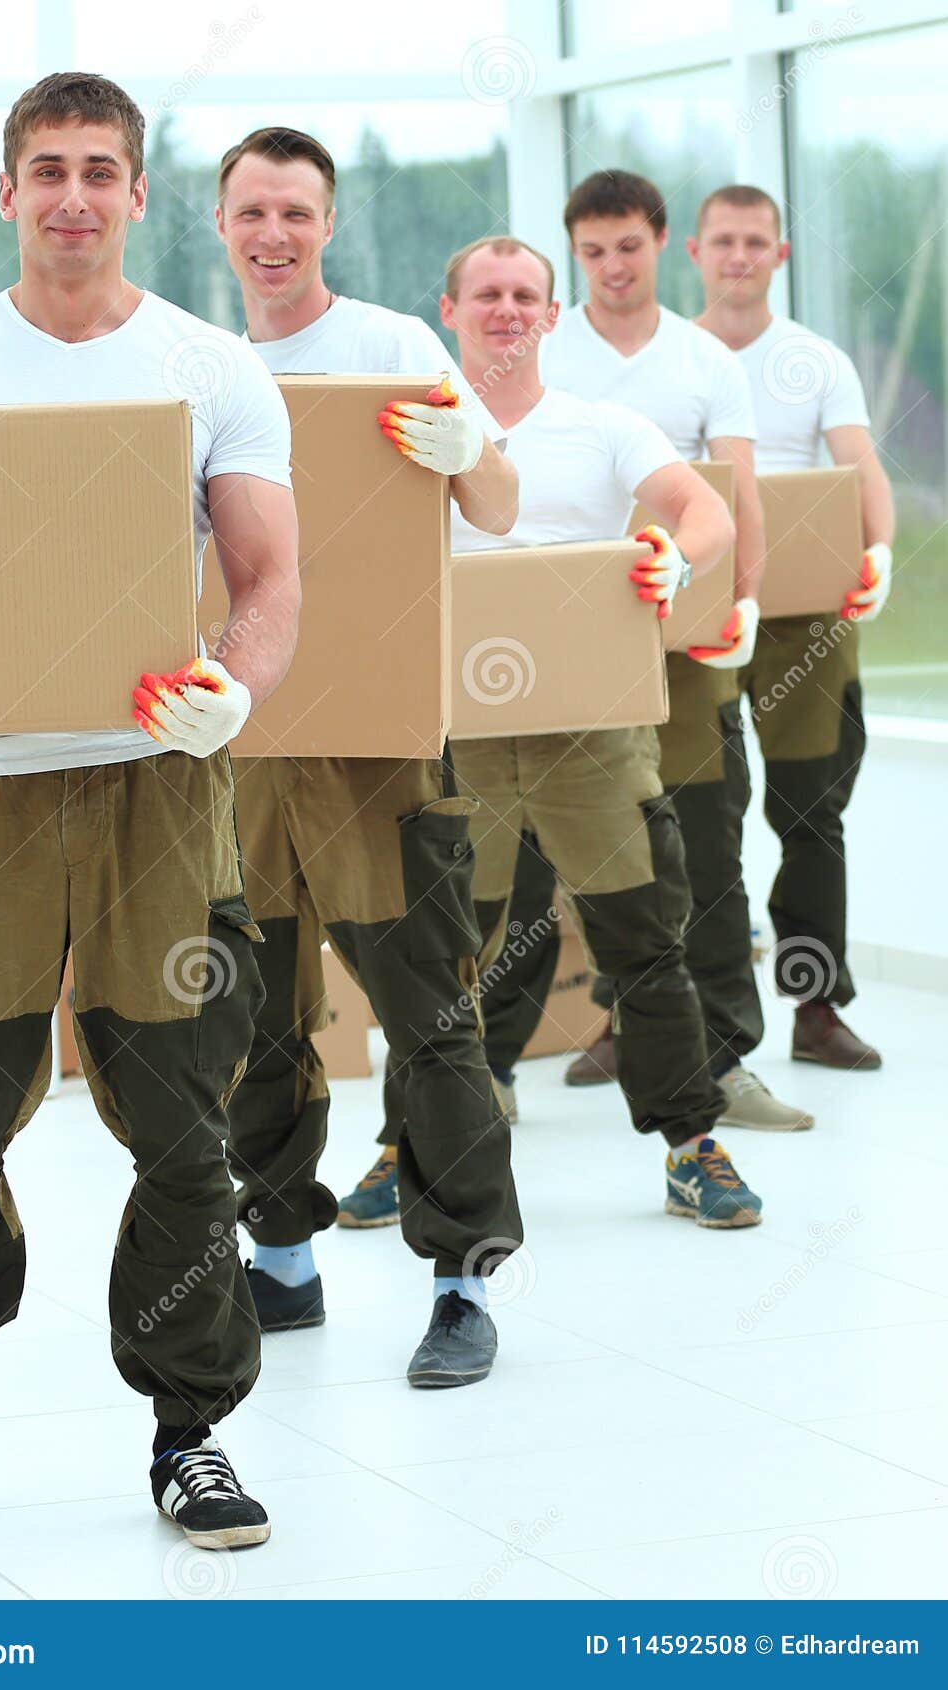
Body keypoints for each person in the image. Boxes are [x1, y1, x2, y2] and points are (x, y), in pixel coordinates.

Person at [0, 73, 300, 1551]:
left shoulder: (211, 364)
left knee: (182, 1123)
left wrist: (238, 689)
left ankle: (191, 1431)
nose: (74, 195)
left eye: (102, 168)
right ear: (7, 190)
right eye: (47, 168)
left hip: (159, 789)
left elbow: (270, 578)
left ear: (141, 193)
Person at [342, 235, 766, 1230]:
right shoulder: (415, 433)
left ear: (551, 313)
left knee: (647, 943)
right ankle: (407, 1146)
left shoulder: (604, 426)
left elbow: (708, 512)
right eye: (485, 294)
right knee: (441, 960)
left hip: (595, 734)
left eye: (524, 295)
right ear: (448, 310)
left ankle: (691, 1143)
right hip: (459, 738)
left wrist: (677, 557)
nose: (505, 310)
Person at [214, 127, 524, 1387]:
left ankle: (461, 1284)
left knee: (432, 1020)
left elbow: (496, 507)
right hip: (240, 747)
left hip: (383, 749)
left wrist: (470, 451)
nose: (274, 233)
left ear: (327, 223)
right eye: (252, 212)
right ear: (222, 221)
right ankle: (283, 1262)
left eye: (296, 211)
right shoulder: (198, 363)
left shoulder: (394, 344)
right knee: (252, 1020)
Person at [479, 170, 812, 1133]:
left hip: (681, 625)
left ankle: (720, 1062)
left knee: (700, 843)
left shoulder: (704, 358)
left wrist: (741, 599)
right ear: (569, 260)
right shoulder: (544, 342)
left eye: (627, 246)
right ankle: (495, 1064)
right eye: (591, 252)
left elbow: (734, 493)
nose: (612, 267)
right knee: (523, 865)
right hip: (546, 650)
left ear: (660, 243)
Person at [689, 183, 893, 1069]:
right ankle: (660, 1020)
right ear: (692, 253)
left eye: (755, 242)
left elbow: (861, 468)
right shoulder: (670, 356)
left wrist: (877, 552)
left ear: (779, 255)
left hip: (803, 616)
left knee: (809, 813)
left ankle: (816, 1011)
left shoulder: (814, 359)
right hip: (697, 607)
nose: (738, 255)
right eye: (722, 241)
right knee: (686, 818)